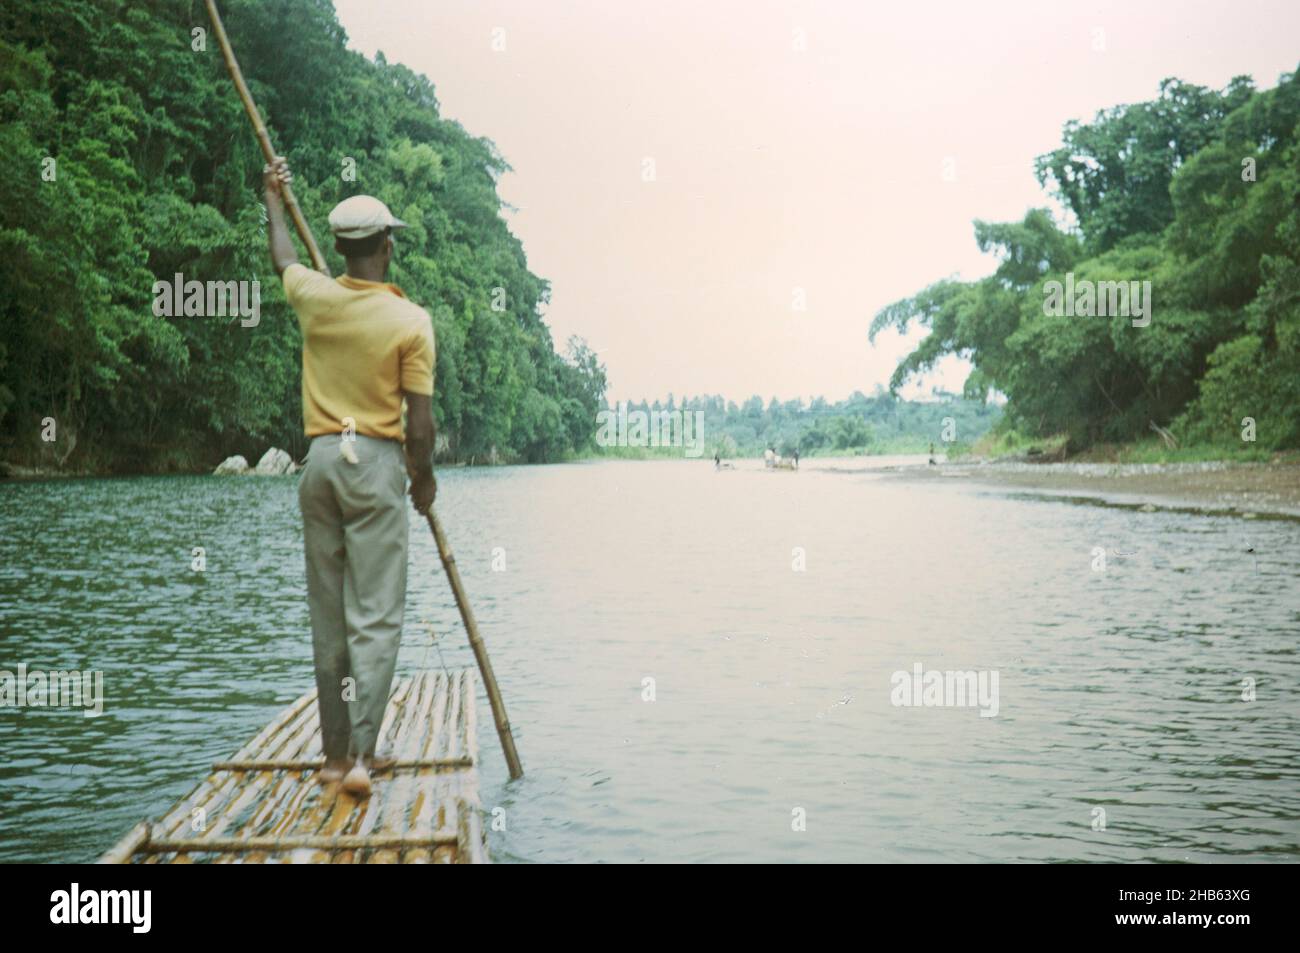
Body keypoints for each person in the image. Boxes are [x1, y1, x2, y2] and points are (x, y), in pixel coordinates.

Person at [263, 157, 437, 798]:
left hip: (320, 465)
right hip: (376, 466)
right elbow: (419, 427)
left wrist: (274, 199)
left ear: (337, 248)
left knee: (329, 617)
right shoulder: (410, 322)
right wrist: (423, 481)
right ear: (387, 247)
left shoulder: (315, 296)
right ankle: (364, 757)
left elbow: (283, 257)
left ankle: (334, 758)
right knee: (376, 615)